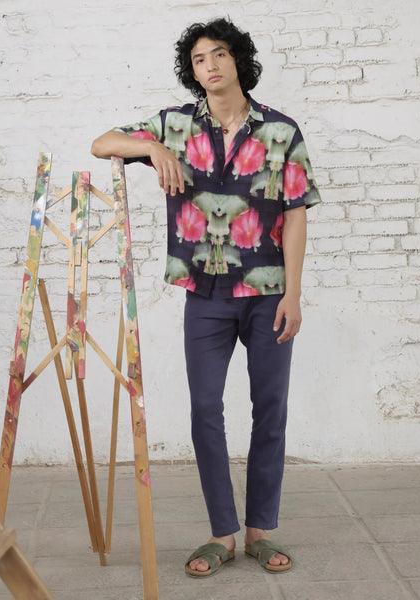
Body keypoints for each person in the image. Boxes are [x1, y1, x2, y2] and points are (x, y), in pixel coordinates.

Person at [91, 17, 321, 578]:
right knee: (204, 410)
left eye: (219, 53)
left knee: (270, 409)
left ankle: (260, 529)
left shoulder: (281, 131)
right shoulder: (175, 126)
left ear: (238, 59)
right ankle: (222, 532)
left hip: (268, 291)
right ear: (191, 71)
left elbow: (295, 214)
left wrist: (293, 293)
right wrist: (152, 148)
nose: (210, 65)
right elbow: (101, 144)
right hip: (205, 294)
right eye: (199, 59)